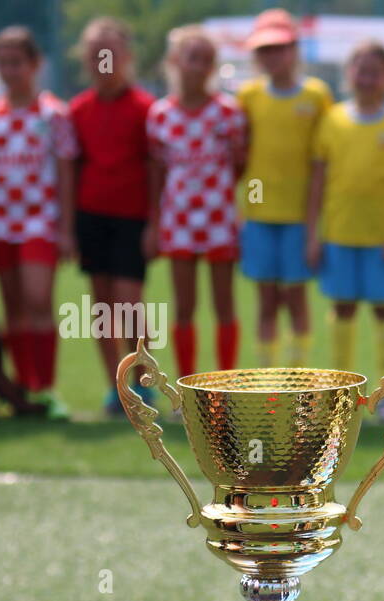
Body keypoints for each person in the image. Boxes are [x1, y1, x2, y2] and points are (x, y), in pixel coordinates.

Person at [0, 26, 78, 419]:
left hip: (39, 223)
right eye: (3, 64)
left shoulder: (54, 114)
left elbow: (65, 173)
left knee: (37, 301)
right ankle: (23, 390)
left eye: (17, 63)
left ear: (35, 64)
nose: (11, 71)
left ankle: (47, 389)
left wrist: (65, 228)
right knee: (13, 309)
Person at [305, 38, 384, 404]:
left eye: (375, 72)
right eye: (360, 71)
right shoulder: (332, 120)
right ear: (348, 74)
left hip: (382, 240)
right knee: (342, 308)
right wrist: (313, 236)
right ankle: (343, 391)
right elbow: (317, 183)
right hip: (339, 235)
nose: (366, 79)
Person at [145, 25, 246, 376]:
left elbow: (240, 167)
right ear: (175, 62)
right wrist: (155, 223)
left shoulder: (229, 112)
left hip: (219, 220)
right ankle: (190, 388)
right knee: (185, 306)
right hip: (179, 221)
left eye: (207, 60)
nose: (199, 66)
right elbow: (156, 173)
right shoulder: (160, 114)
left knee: (224, 305)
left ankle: (225, 385)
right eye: (192, 58)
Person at [237, 8, 331, 369]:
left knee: (295, 297)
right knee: (265, 300)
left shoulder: (316, 96)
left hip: (298, 220)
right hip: (259, 217)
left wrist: (313, 229)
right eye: (263, 50)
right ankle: (267, 379)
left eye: (278, 48)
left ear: (295, 49)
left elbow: (323, 165)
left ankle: (297, 376)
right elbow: (238, 158)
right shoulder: (248, 97)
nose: (271, 56)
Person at [69, 17, 155, 415]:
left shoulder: (144, 108)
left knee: (130, 305)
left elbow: (155, 168)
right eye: (95, 55)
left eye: (111, 54)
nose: (103, 62)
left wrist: (154, 222)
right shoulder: (78, 110)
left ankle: (145, 383)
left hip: (132, 218)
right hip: (91, 217)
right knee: (102, 307)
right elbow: (72, 169)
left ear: (126, 58)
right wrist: (68, 226)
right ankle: (114, 390)